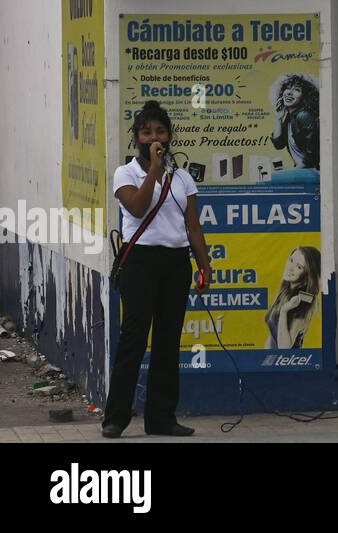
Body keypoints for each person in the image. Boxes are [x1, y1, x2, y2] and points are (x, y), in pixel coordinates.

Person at [103, 101, 211, 438]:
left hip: (175, 263)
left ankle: (161, 418)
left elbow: (193, 226)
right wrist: (153, 169)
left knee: (168, 342)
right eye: (147, 132)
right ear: (136, 137)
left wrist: (205, 265)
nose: (154, 137)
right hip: (139, 263)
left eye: (160, 131)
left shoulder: (182, 178)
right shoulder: (125, 173)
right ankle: (116, 418)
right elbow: (137, 207)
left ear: (169, 135)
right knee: (133, 340)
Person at [264, 246, 322, 349]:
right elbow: (272, 337)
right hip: (272, 360)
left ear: (307, 276)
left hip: (287, 362)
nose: (290, 268)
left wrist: (284, 311)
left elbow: (284, 347)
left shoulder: (303, 304)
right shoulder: (286, 290)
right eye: (291, 260)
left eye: (299, 267)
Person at [270, 73, 320, 170]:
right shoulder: (290, 117)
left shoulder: (303, 116)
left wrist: (294, 170)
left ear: (304, 96)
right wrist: (278, 118)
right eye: (287, 88)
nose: (289, 93)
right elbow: (278, 144)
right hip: (302, 170)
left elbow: (313, 153)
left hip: (312, 171)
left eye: (297, 90)